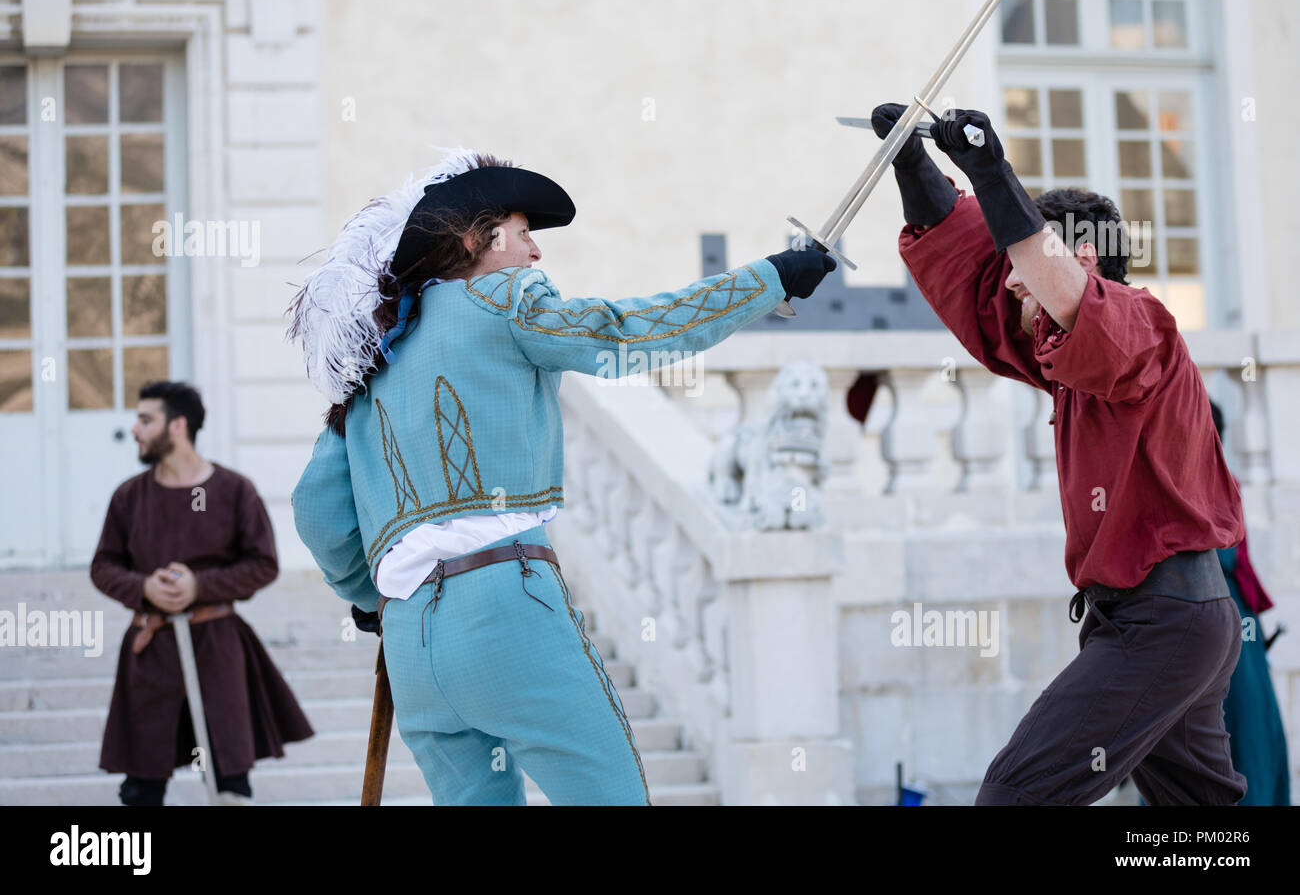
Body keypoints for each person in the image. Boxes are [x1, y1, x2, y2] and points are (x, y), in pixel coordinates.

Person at [288, 148, 834, 805]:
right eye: (523, 234)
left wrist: (368, 592)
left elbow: (317, 507)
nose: (535, 254)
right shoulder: (503, 298)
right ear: (474, 240)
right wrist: (769, 279)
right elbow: (624, 332)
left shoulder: (370, 363)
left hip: (413, 647)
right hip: (504, 607)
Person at [871, 103, 1247, 805]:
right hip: (1177, 623)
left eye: (1022, 266)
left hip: (1162, 626)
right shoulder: (1059, 351)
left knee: (1016, 795)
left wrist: (990, 166)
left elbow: (1055, 287)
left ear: (1080, 260)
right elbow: (971, 275)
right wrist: (914, 164)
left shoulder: (1139, 325)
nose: (1008, 282)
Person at [91, 380, 313, 805]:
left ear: (177, 426)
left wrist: (200, 586)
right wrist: (144, 588)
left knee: (230, 782)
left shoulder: (233, 491)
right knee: (141, 788)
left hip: (219, 650)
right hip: (151, 653)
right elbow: (103, 567)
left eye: (145, 420)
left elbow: (263, 564)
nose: (135, 430)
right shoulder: (129, 497)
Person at [1208, 400, 1290, 805]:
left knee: (1245, 724)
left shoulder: (1210, 479)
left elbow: (1221, 554)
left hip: (1223, 613)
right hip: (1223, 614)